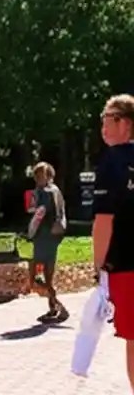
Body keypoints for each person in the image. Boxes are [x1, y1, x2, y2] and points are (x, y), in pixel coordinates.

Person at [94, 94, 134, 390]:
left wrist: (99, 268)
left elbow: (104, 221)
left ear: (125, 124)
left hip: (126, 263)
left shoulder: (112, 162)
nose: (103, 128)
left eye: (108, 120)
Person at [26, 161, 69, 323]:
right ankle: (53, 307)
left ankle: (58, 306)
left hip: (48, 237)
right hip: (43, 237)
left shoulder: (51, 191)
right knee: (44, 276)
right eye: (36, 176)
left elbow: (56, 214)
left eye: (40, 175)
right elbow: (36, 214)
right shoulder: (41, 191)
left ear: (49, 176)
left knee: (36, 275)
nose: (38, 179)